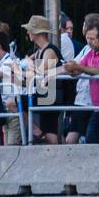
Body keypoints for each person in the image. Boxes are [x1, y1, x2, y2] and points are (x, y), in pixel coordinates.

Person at [23, 15, 65, 144]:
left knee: (15, 102)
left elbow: (39, 72)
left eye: (30, 30)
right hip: (45, 93)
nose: (28, 33)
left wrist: (25, 68)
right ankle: (39, 133)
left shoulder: (49, 51)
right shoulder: (41, 50)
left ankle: (37, 133)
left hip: (51, 95)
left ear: (37, 33)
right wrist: (27, 62)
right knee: (50, 129)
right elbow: (28, 60)